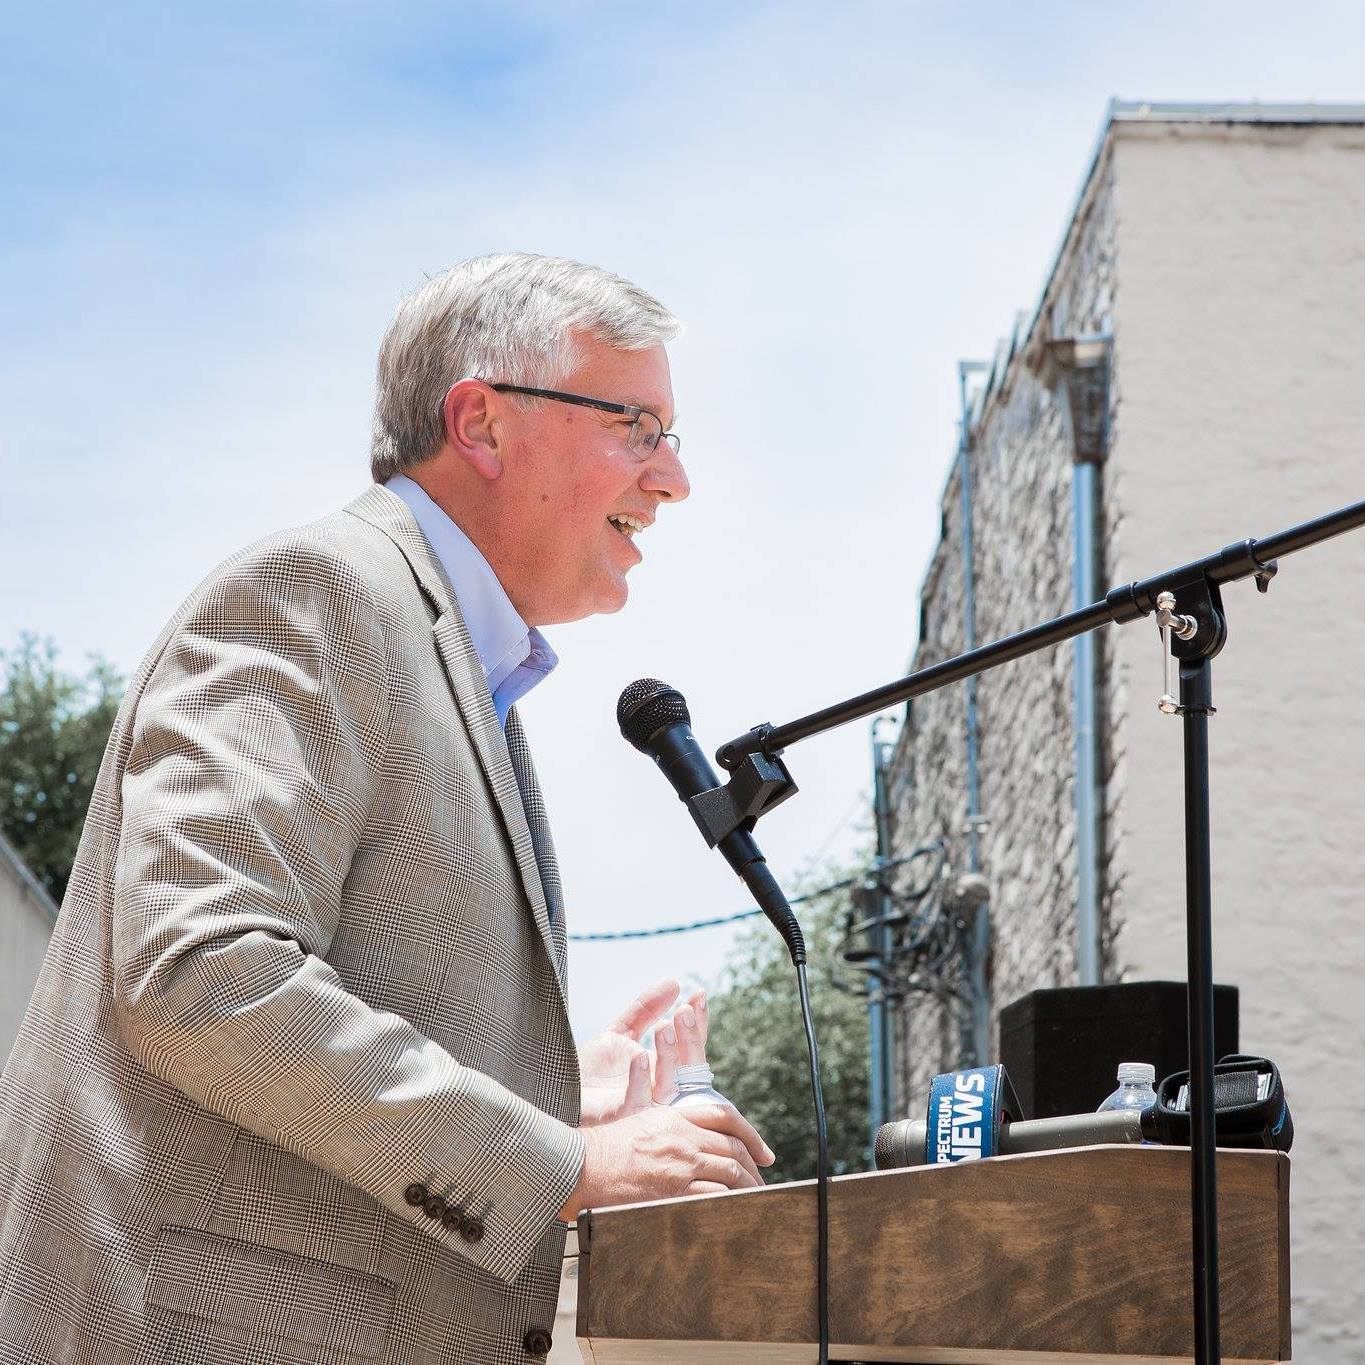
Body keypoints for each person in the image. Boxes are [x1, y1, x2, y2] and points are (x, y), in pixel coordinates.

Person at [0, 252, 774, 1364]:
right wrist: (562, 1166)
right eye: (636, 426)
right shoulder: (313, 592)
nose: (675, 479)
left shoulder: (449, 653)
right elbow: (204, 974)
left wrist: (549, 1096)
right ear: (482, 423)